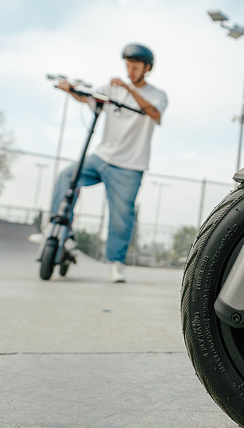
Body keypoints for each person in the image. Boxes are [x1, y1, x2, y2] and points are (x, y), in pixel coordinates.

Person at [45, 43, 167, 284]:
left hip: (130, 165)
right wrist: (70, 90)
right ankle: (61, 232)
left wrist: (129, 89)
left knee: (122, 215)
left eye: (135, 67)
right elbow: (88, 98)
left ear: (147, 68)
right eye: (127, 66)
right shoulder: (112, 87)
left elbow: (155, 113)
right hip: (101, 156)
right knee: (67, 176)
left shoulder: (157, 95)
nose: (129, 71)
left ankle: (115, 264)